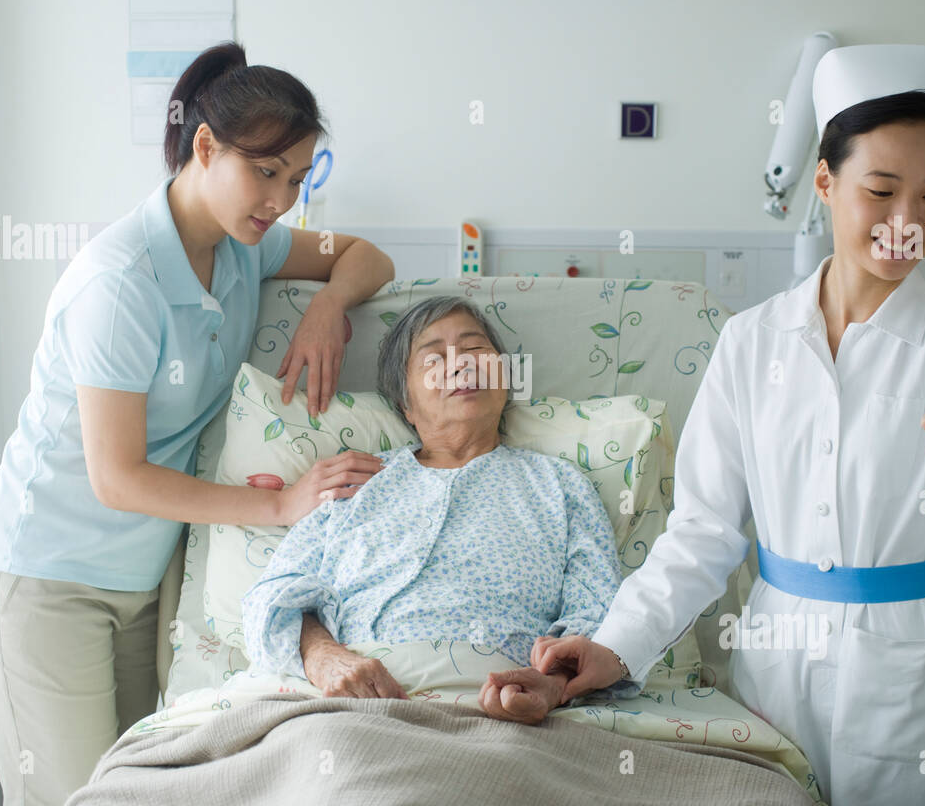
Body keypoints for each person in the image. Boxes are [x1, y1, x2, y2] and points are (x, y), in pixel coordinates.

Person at [534, 45, 925, 806]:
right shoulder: (751, 342)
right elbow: (703, 535)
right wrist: (614, 647)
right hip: (773, 665)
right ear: (824, 181)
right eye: (881, 190)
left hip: (910, 673)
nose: (908, 222)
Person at [0, 41, 395, 806]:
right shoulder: (121, 283)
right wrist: (277, 505)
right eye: (265, 173)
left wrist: (329, 306)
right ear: (204, 146)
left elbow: (364, 256)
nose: (281, 200)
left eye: (295, 180)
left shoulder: (242, 252)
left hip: (139, 578)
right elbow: (116, 475)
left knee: (140, 798)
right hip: (44, 578)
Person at [239, 297, 634, 724]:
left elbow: (598, 612)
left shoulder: (560, 486)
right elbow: (270, 598)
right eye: (433, 359)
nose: (460, 365)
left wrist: (553, 686)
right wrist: (324, 658)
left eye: (475, 350)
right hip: (352, 704)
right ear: (405, 404)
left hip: (504, 706)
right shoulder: (355, 482)